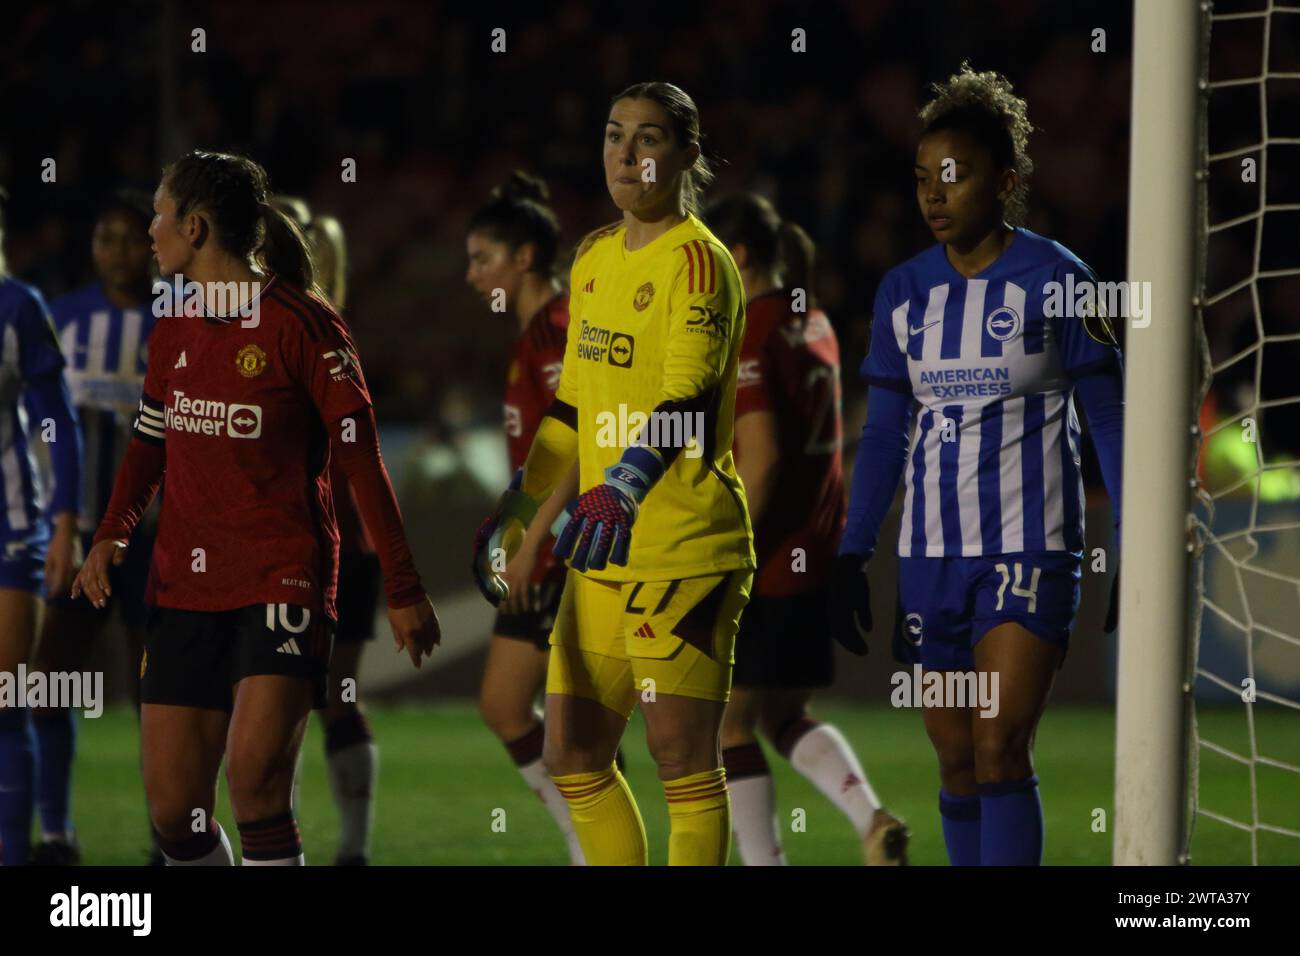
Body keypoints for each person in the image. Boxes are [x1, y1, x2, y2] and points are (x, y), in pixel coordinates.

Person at [71, 150, 440, 866]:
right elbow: (150, 445)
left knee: (257, 786)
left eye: (159, 213)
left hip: (281, 579)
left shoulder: (306, 327)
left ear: (198, 227)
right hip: (183, 588)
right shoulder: (173, 327)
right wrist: (111, 534)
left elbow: (362, 461)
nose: (150, 230)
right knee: (175, 812)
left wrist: (403, 586)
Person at [833, 65, 1123, 866]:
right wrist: (854, 549)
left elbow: (1108, 415)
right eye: (923, 179)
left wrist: (1132, 535)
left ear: (1005, 182)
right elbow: (887, 434)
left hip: (1032, 547)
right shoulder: (903, 293)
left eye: (952, 177)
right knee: (956, 759)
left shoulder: (1063, 280)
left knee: (999, 746)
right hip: (931, 557)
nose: (933, 195)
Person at [474, 81, 754, 866]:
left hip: (684, 548)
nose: (627, 154)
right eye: (613, 135)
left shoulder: (699, 263)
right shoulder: (593, 257)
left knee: (681, 762)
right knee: (573, 755)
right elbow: (569, 410)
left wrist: (626, 481)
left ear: (687, 155)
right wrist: (523, 507)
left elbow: (688, 397)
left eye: (649, 138)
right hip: (600, 550)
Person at [705, 192, 908, 865]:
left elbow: (760, 461)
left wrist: (730, 552)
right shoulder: (810, 317)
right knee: (783, 715)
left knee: (727, 727)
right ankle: (870, 815)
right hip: (818, 549)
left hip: (768, 556)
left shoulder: (753, 332)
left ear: (736, 257)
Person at [27, 191, 159, 865]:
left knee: (158, 694)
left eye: (132, 238)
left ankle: (174, 838)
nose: (119, 251)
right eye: (106, 238)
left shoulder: (180, 318)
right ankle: (56, 834)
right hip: (76, 537)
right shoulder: (62, 318)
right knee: (48, 679)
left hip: (158, 539)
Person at [465, 172, 589, 863]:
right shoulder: (531, 334)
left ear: (523, 258)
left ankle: (592, 843)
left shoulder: (560, 329)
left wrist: (533, 539)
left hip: (566, 551)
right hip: (542, 547)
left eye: (482, 257)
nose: (470, 273)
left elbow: (580, 441)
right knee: (512, 710)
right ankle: (588, 841)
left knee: (538, 715)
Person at [0, 186, 83, 866]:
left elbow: (57, 417)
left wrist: (63, 520)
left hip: (11, 525)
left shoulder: (20, 307)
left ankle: (19, 853)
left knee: (7, 700)